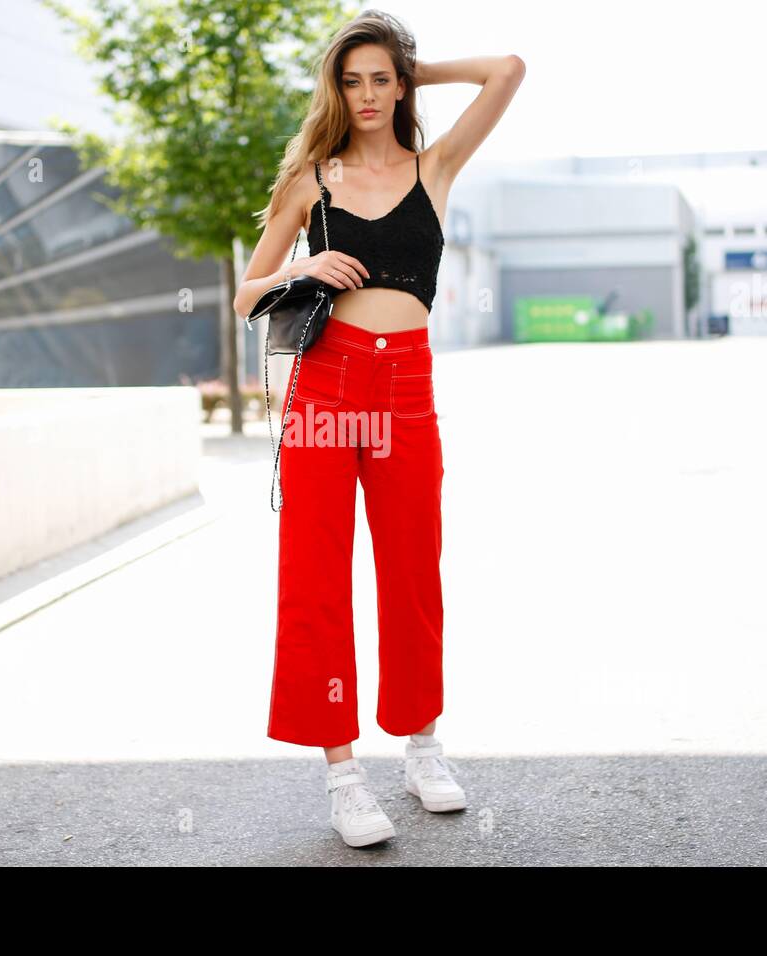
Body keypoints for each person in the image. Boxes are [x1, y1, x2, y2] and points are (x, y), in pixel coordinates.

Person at [233, 10, 524, 847]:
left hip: (406, 384)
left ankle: (422, 746)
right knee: (317, 575)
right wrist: (301, 264)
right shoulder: (310, 181)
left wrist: (411, 64)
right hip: (327, 383)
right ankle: (343, 774)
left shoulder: (435, 167)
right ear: (335, 89)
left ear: (399, 84)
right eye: (351, 81)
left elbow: (507, 68)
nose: (366, 96)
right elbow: (246, 297)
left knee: (411, 569)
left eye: (380, 80)